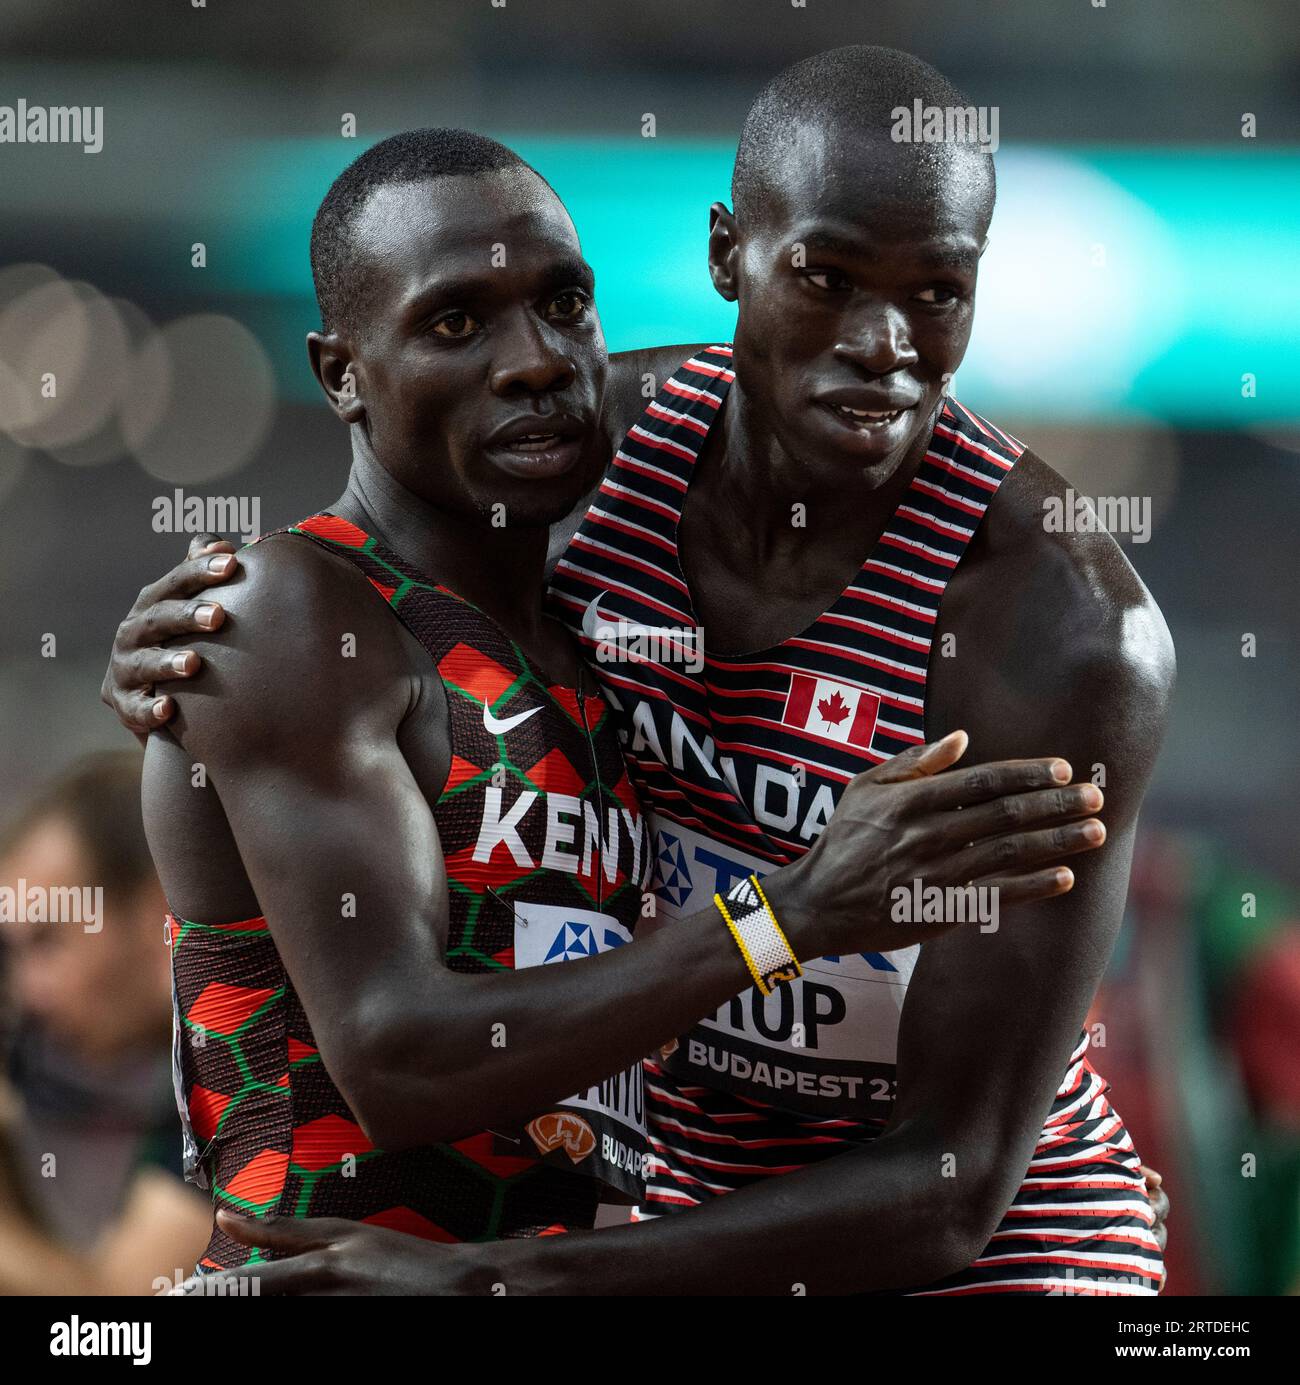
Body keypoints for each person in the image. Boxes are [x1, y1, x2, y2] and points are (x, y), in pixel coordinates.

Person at [105, 47, 1172, 1294]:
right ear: (728, 256)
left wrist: (492, 1281)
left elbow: (947, 1188)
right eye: (825, 277)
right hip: (654, 1232)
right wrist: (203, 632)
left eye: (935, 292)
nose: (880, 344)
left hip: (966, 1253)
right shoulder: (595, 448)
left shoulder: (1061, 628)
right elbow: (383, 528)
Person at [0, 753, 210, 1293]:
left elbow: (108, 1321)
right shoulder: (193, 1058)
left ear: (156, 910)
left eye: (48, 941)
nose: (27, 994)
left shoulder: (232, 1063)